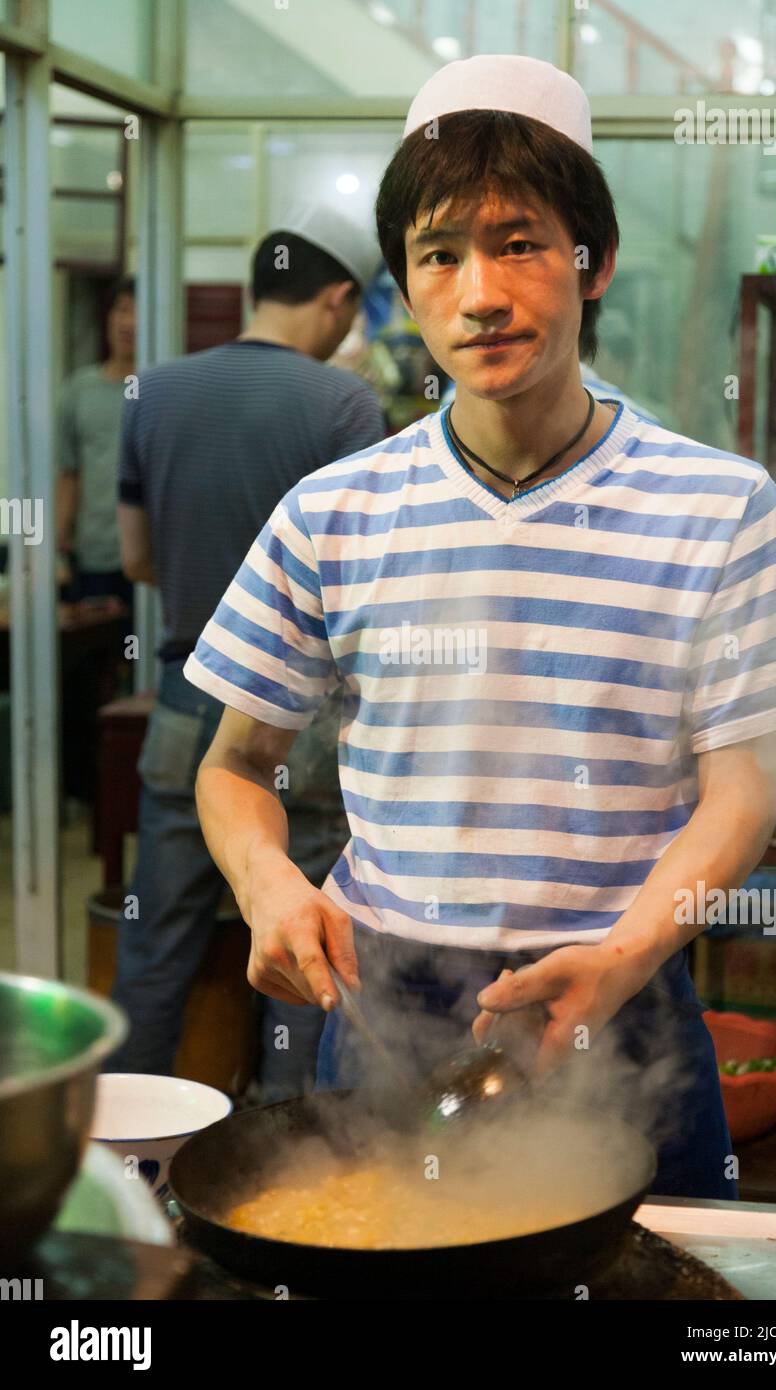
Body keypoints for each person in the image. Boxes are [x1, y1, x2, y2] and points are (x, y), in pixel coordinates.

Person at [184, 57, 776, 1197]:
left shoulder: (721, 507)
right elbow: (235, 766)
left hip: (625, 997)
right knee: (386, 1264)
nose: (480, 294)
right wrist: (267, 887)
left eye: (519, 243)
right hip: (387, 1012)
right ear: (404, 282)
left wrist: (629, 950)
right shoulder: (333, 512)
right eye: (439, 254)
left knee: (663, 1273)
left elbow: (742, 792)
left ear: (594, 261)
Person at [107, 205, 386, 1100]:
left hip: (185, 707)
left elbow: (134, 557)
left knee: (155, 945)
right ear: (339, 299)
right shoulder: (343, 403)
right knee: (306, 944)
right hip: (300, 725)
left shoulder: (153, 392)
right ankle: (284, 1148)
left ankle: (124, 1145)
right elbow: (367, 590)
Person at [56, 275, 136, 610]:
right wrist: (57, 548)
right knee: (94, 639)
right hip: (92, 557)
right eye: (122, 309)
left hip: (146, 558)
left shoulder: (160, 388)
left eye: (137, 312)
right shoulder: (79, 389)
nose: (128, 322)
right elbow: (68, 474)